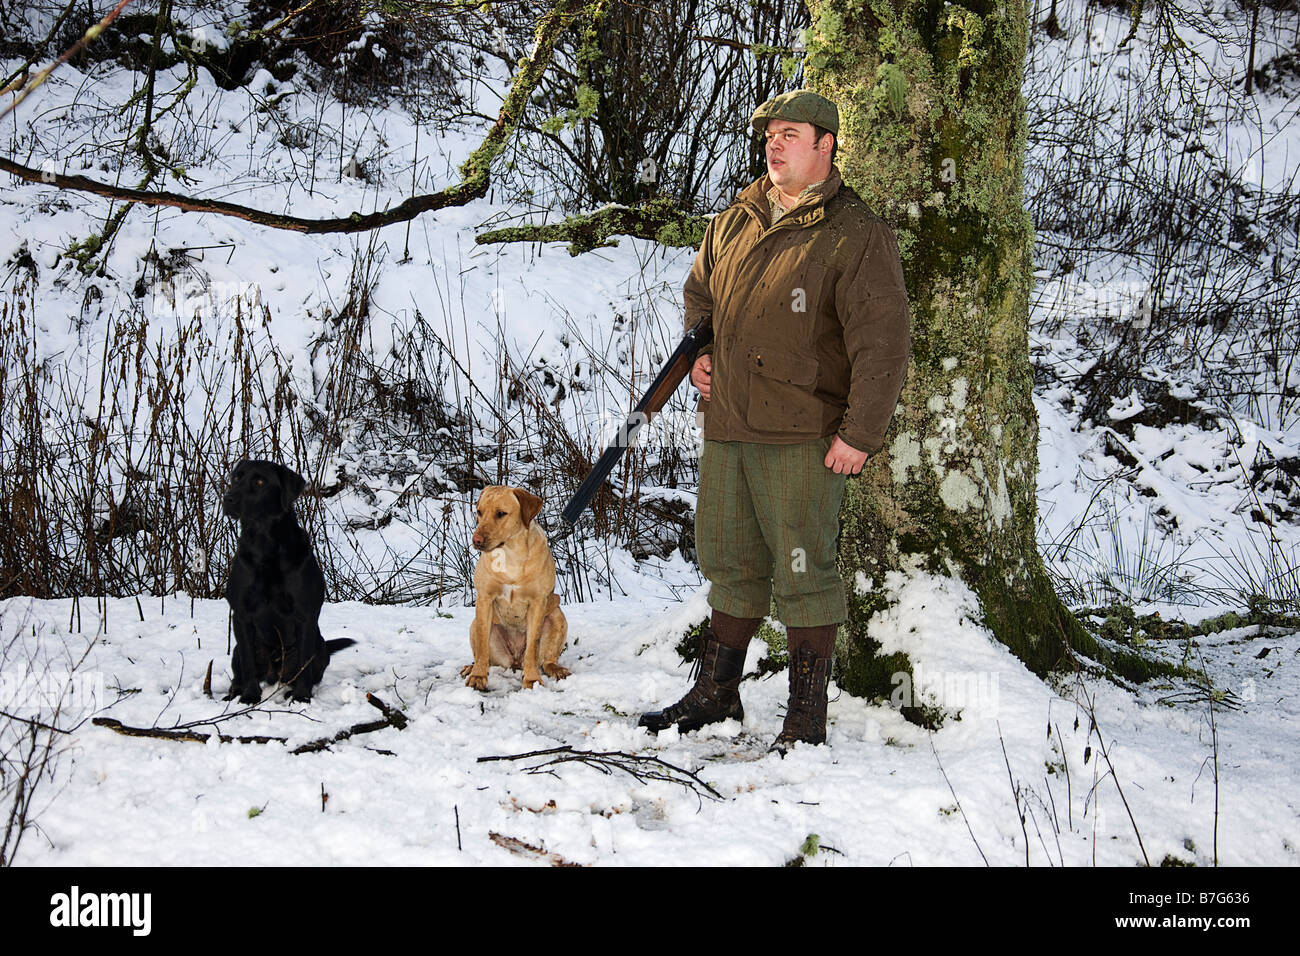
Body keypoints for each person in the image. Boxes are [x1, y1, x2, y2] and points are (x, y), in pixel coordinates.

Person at [639, 90, 911, 754]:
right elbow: (702, 292)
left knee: (803, 573)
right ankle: (715, 693)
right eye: (770, 133)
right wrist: (700, 353)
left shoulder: (854, 232)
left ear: (827, 144)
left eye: (792, 133)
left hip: (804, 433)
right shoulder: (739, 214)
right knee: (730, 559)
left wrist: (859, 433)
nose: (775, 143)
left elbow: (885, 341)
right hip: (728, 422)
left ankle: (806, 719)